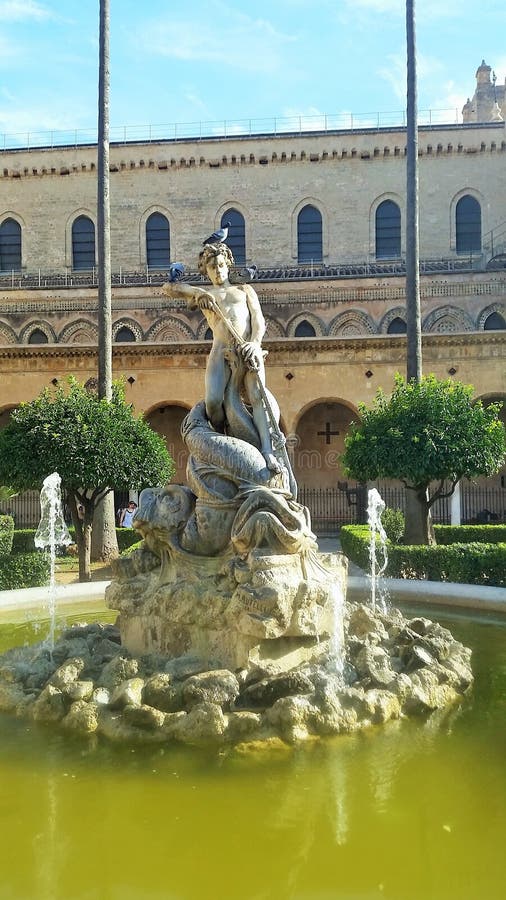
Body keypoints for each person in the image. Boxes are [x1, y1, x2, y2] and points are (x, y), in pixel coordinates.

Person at [163, 243, 281, 474]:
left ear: (228, 265)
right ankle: (222, 443)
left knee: (257, 396)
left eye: (220, 265)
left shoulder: (244, 290)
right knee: (213, 402)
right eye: (211, 267)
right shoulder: (206, 296)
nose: (217, 270)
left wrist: (254, 345)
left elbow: (258, 321)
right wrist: (198, 293)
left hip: (246, 349)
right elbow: (169, 287)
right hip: (220, 351)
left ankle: (267, 450)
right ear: (206, 271)